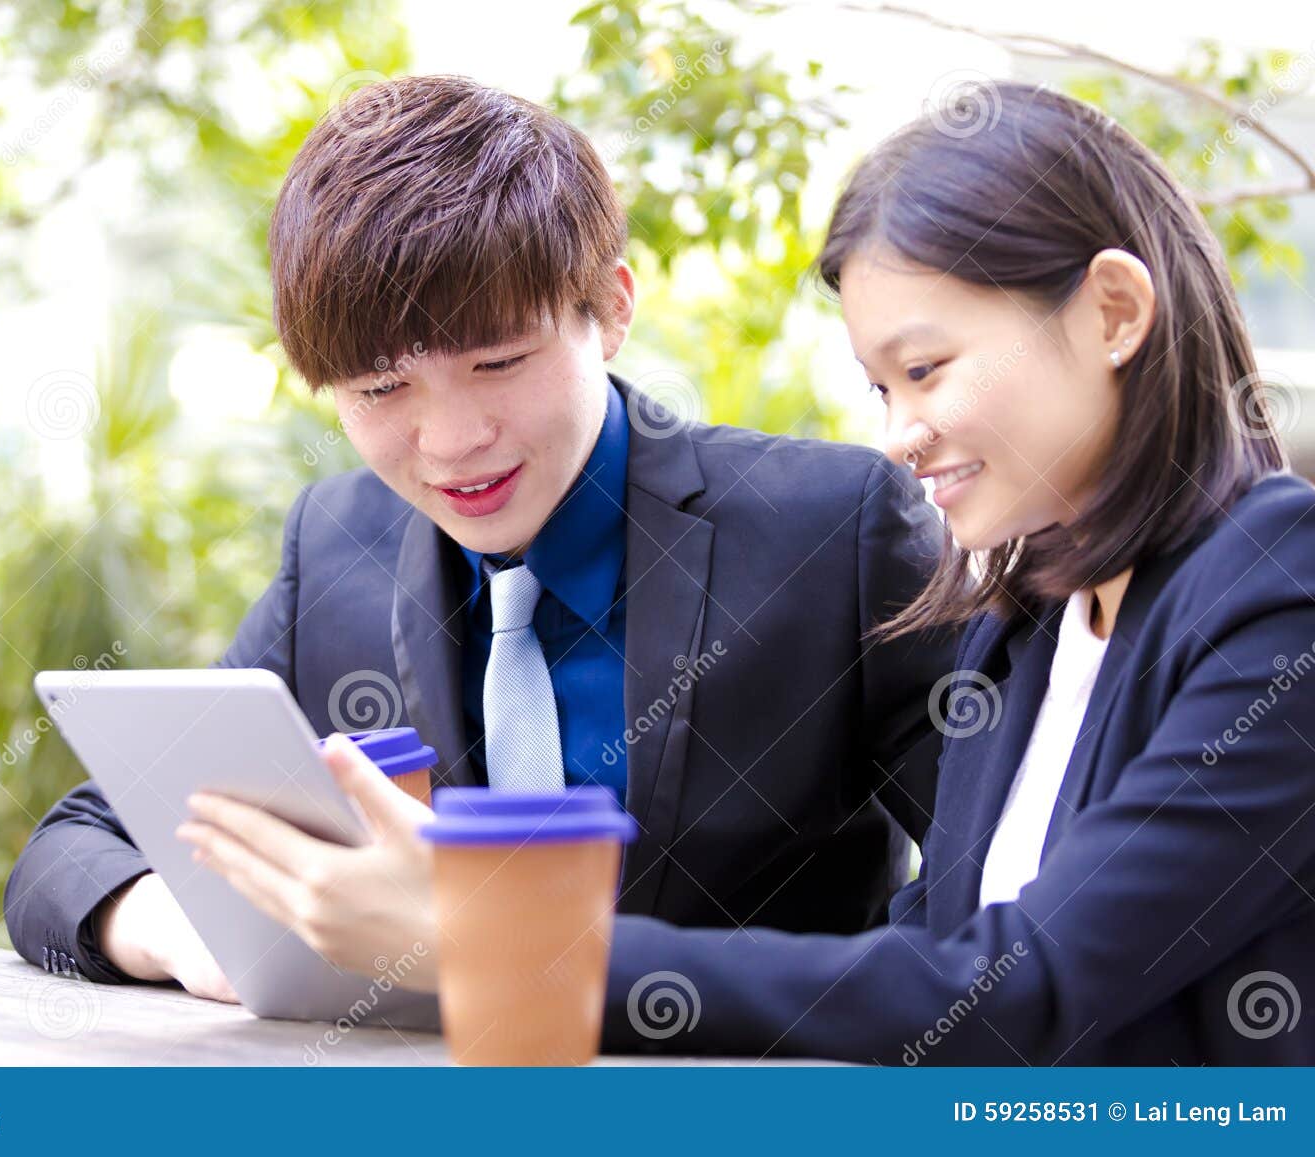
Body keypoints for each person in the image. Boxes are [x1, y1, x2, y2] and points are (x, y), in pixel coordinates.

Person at [180, 81, 1315, 1065]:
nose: (901, 434)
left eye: (925, 368)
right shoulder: (1028, 621)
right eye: (883, 389)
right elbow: (925, 965)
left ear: (1113, 312)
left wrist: (495, 939)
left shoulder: (1277, 585)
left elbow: (1023, 985)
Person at [4, 75, 960, 999]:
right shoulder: (339, 552)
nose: (453, 441)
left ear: (612, 308)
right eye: (381, 389)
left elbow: (1003, 893)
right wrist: (181, 930)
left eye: (498, 361)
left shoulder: (833, 533)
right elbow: (77, 843)